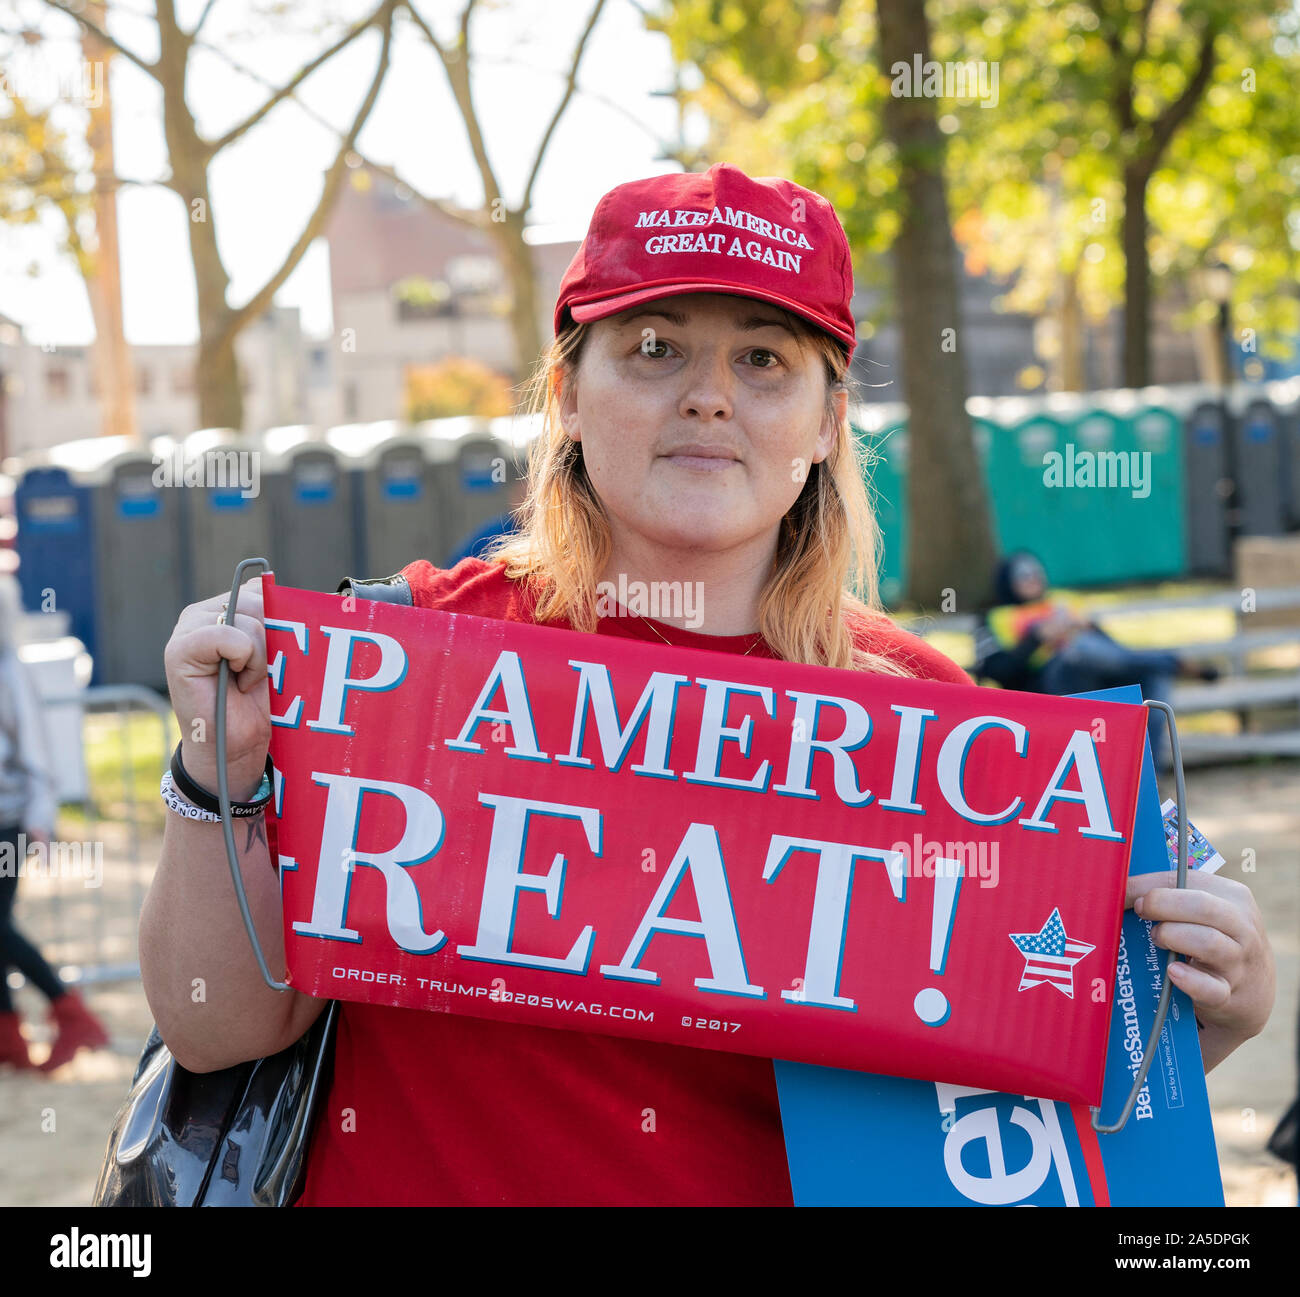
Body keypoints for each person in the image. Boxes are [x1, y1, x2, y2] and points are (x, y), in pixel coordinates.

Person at [145, 163, 1276, 1206]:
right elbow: (218, 1030)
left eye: (763, 358)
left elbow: (1011, 1131)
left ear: (829, 422)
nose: (707, 396)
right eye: (652, 348)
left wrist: (1185, 1019)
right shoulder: (399, 662)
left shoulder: (945, 734)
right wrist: (216, 774)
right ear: (568, 397)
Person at [0, 575, 109, 1071]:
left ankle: (72, 1014)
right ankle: (9, 1040)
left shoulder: (8, 668)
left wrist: (40, 820)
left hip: (9, 818)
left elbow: (35, 752)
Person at [974, 550, 1220, 769]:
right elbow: (996, 671)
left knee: (1152, 683)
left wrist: (1089, 627)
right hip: (1048, 687)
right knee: (1076, 650)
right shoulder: (994, 617)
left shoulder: (1063, 601)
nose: (1032, 579)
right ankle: (1170, 661)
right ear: (1007, 581)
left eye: (1036, 572)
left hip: (1095, 678)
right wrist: (1037, 638)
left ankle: (1149, 780)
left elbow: (1114, 652)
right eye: (1023, 575)